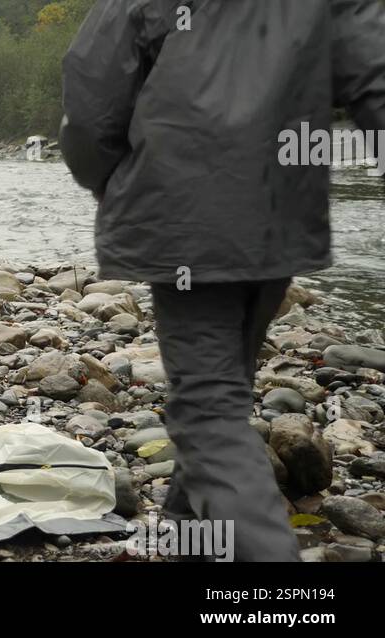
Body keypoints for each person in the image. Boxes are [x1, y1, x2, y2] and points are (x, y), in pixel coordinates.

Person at [60, 0, 385, 561]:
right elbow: (373, 78)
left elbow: (92, 103)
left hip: (184, 210)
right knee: (220, 391)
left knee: (208, 408)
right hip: (280, 213)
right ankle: (190, 535)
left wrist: (111, 181)